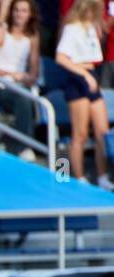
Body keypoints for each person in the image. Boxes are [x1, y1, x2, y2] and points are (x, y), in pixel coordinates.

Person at [55, 0, 111, 189]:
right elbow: (61, 57)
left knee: (102, 132)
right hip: (77, 79)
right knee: (79, 133)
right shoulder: (72, 28)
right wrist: (84, 74)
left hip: (91, 76)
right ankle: (78, 178)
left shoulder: (92, 28)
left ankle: (103, 176)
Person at [0, 0, 40, 160]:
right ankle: (24, 147)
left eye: (24, 11)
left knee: (33, 99)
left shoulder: (32, 37)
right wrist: (11, 74)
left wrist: (28, 78)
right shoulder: (1, 32)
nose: (19, 14)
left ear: (30, 14)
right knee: (23, 99)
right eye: (17, 10)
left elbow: (34, 71)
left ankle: (41, 148)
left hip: (20, 87)